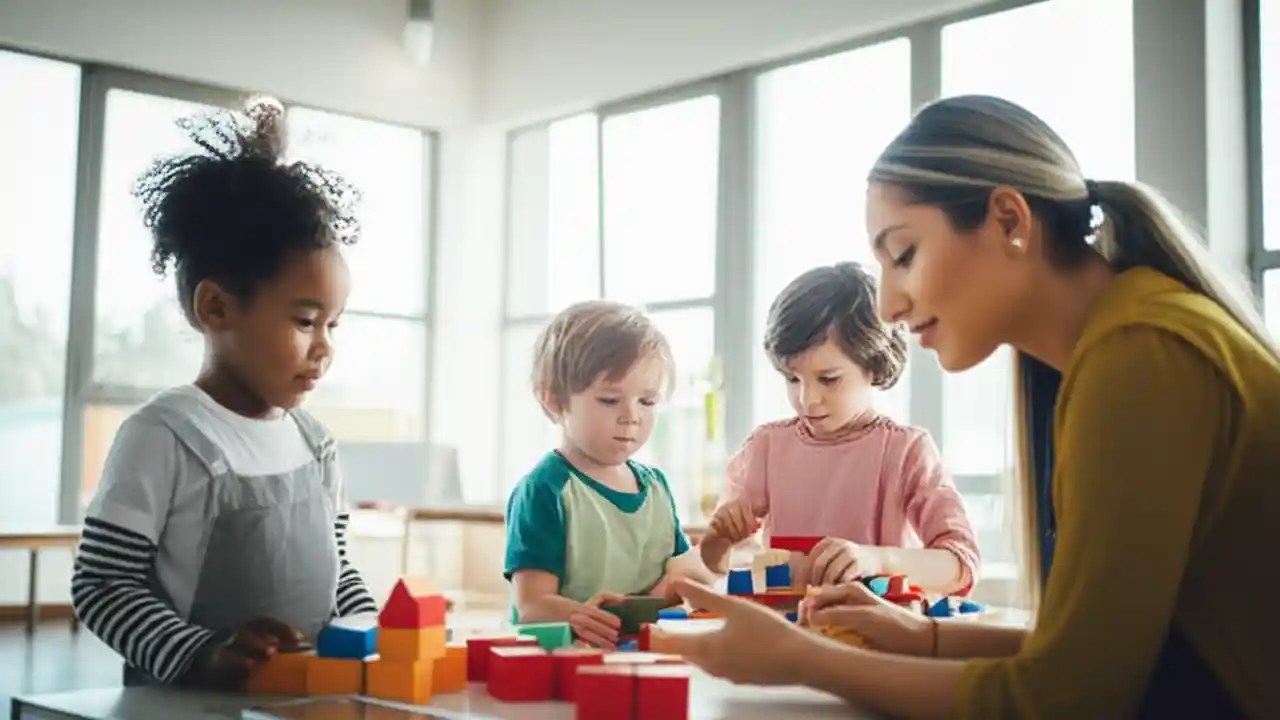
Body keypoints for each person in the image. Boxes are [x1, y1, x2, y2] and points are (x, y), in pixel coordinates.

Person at [663, 94, 1280, 718]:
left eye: (904, 255)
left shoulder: (1141, 354)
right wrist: (923, 636)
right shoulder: (1119, 343)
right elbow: (1094, 652)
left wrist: (804, 659)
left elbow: (1069, 699)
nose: (887, 306)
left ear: (1010, 220)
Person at [71, 97, 377, 690]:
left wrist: (373, 629)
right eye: (305, 321)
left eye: (333, 326)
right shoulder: (161, 436)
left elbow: (340, 573)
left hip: (302, 700)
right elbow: (102, 586)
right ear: (215, 307)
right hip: (188, 705)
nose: (325, 348)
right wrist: (202, 652)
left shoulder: (317, 446)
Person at [700, 263, 978, 593]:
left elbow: (961, 564)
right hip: (781, 636)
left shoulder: (906, 452)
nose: (806, 399)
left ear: (873, 365)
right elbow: (718, 562)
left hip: (873, 638)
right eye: (792, 378)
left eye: (828, 379)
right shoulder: (766, 447)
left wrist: (877, 560)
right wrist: (719, 540)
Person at [503, 301, 712, 649]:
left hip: (641, 655)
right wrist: (576, 616)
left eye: (647, 402)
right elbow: (532, 605)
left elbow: (673, 584)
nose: (631, 416)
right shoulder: (545, 490)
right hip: (561, 659)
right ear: (553, 401)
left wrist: (700, 577)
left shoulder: (656, 488)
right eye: (609, 400)